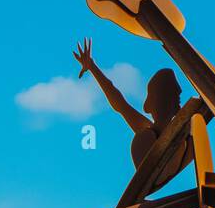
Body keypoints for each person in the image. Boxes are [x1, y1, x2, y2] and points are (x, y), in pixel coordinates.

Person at [73, 39, 193, 183]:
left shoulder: (181, 134)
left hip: (164, 169)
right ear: (162, 99)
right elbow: (120, 104)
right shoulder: (148, 133)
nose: (180, 94)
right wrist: (92, 67)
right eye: (175, 93)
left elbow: (121, 105)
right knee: (144, 135)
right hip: (150, 176)